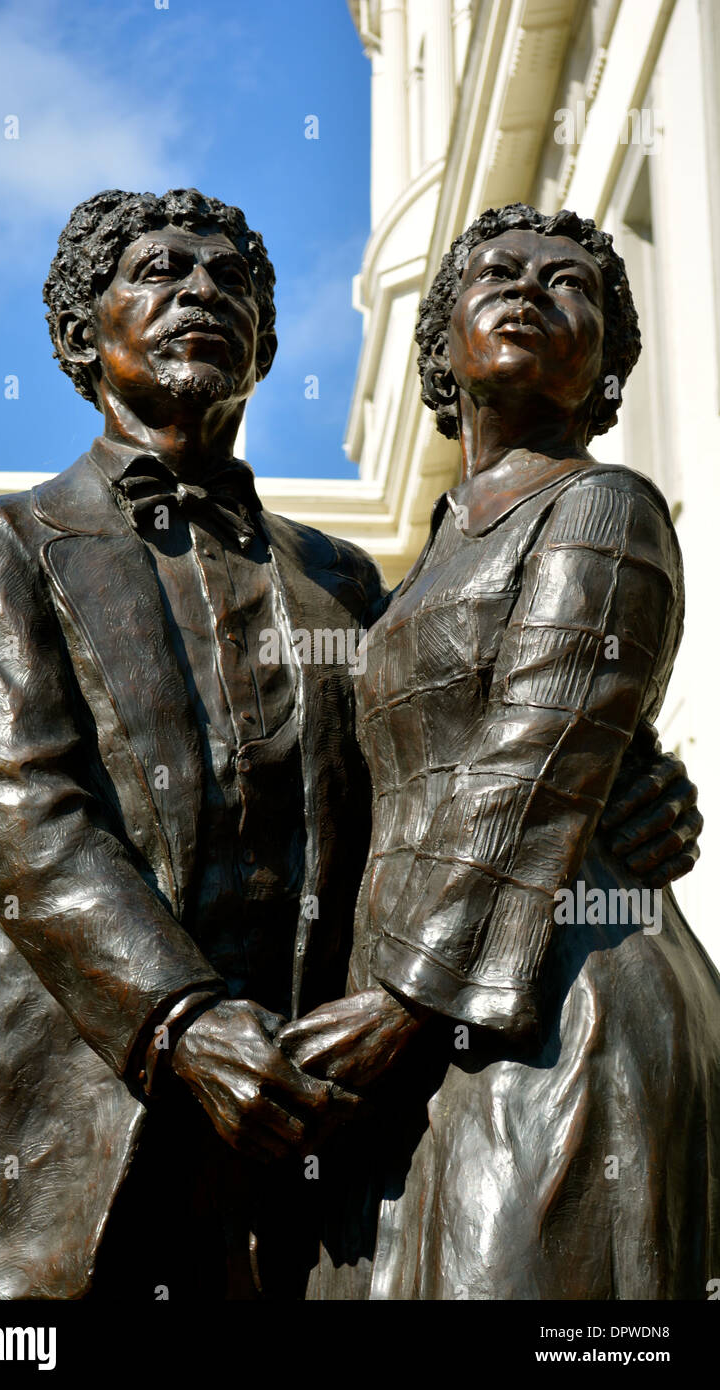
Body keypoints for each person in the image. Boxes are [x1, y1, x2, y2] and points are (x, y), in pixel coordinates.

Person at [0, 191, 701, 1301]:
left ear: (267, 347)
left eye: (229, 281)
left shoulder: (345, 583)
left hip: (299, 1173)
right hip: (71, 1140)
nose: (198, 292)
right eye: (159, 271)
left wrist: (630, 779)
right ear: (82, 334)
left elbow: (464, 741)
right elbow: (24, 822)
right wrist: (181, 1024)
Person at [280, 204, 719, 1301]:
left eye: (568, 284)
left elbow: (536, 757)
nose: (529, 289)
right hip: (421, 1031)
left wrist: (404, 998)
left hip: (559, 1007)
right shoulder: (417, 565)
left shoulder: (600, 506)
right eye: (498, 273)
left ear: (607, 367)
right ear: (441, 340)